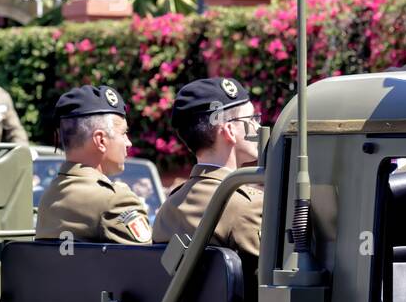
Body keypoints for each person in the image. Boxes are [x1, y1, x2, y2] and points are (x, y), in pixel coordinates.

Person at [153, 78, 263, 259]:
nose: (258, 126)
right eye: (251, 119)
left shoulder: (168, 209)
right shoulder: (248, 207)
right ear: (229, 131)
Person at [35, 85, 152, 244]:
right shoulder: (115, 200)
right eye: (123, 133)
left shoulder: (49, 197)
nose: (128, 143)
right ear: (101, 140)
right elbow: (150, 265)